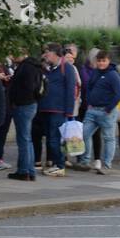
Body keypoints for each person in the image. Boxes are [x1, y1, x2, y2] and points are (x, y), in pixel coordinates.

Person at [73, 48, 120, 174]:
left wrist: (108, 109)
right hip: (92, 110)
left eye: (104, 61)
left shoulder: (113, 75)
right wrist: (89, 101)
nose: (101, 63)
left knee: (108, 138)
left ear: (108, 61)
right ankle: (85, 161)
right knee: (84, 134)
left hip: (107, 112)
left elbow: (119, 94)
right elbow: (89, 87)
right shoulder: (95, 72)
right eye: (99, 61)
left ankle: (106, 165)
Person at [38, 44, 77, 177]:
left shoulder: (67, 68)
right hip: (46, 109)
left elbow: (71, 90)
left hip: (59, 110)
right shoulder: (47, 69)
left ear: (55, 54)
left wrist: (69, 112)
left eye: (47, 53)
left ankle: (60, 165)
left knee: (55, 139)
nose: (45, 55)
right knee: (50, 139)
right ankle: (56, 164)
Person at [6, 50, 43, 181]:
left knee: (23, 139)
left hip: (23, 105)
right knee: (28, 139)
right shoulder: (35, 66)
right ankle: (30, 170)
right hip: (32, 104)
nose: (12, 55)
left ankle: (23, 171)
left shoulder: (25, 67)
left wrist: (15, 100)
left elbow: (26, 87)